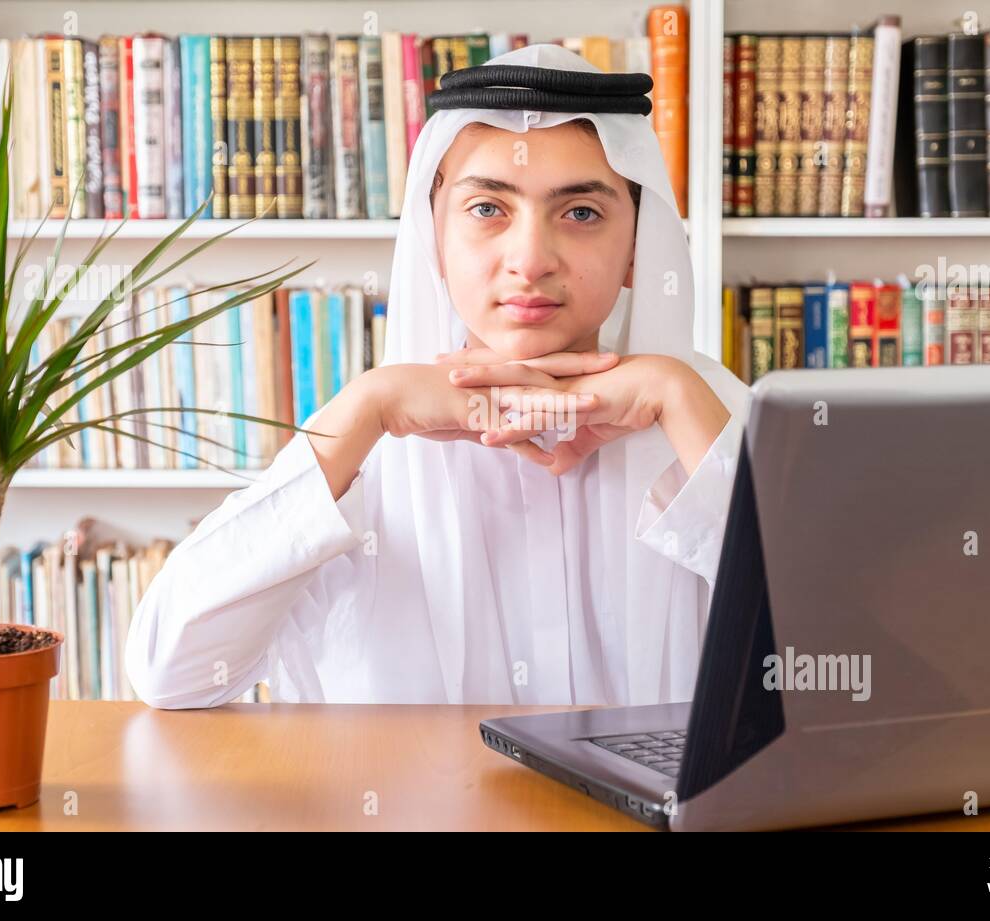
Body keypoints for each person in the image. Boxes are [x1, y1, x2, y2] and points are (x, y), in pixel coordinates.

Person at [125, 43, 752, 708]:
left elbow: (841, 672)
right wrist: (370, 405)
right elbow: (171, 673)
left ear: (636, 245)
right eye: (488, 209)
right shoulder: (364, 447)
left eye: (580, 213)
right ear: (435, 235)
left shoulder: (711, 414)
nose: (531, 259)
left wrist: (678, 396)